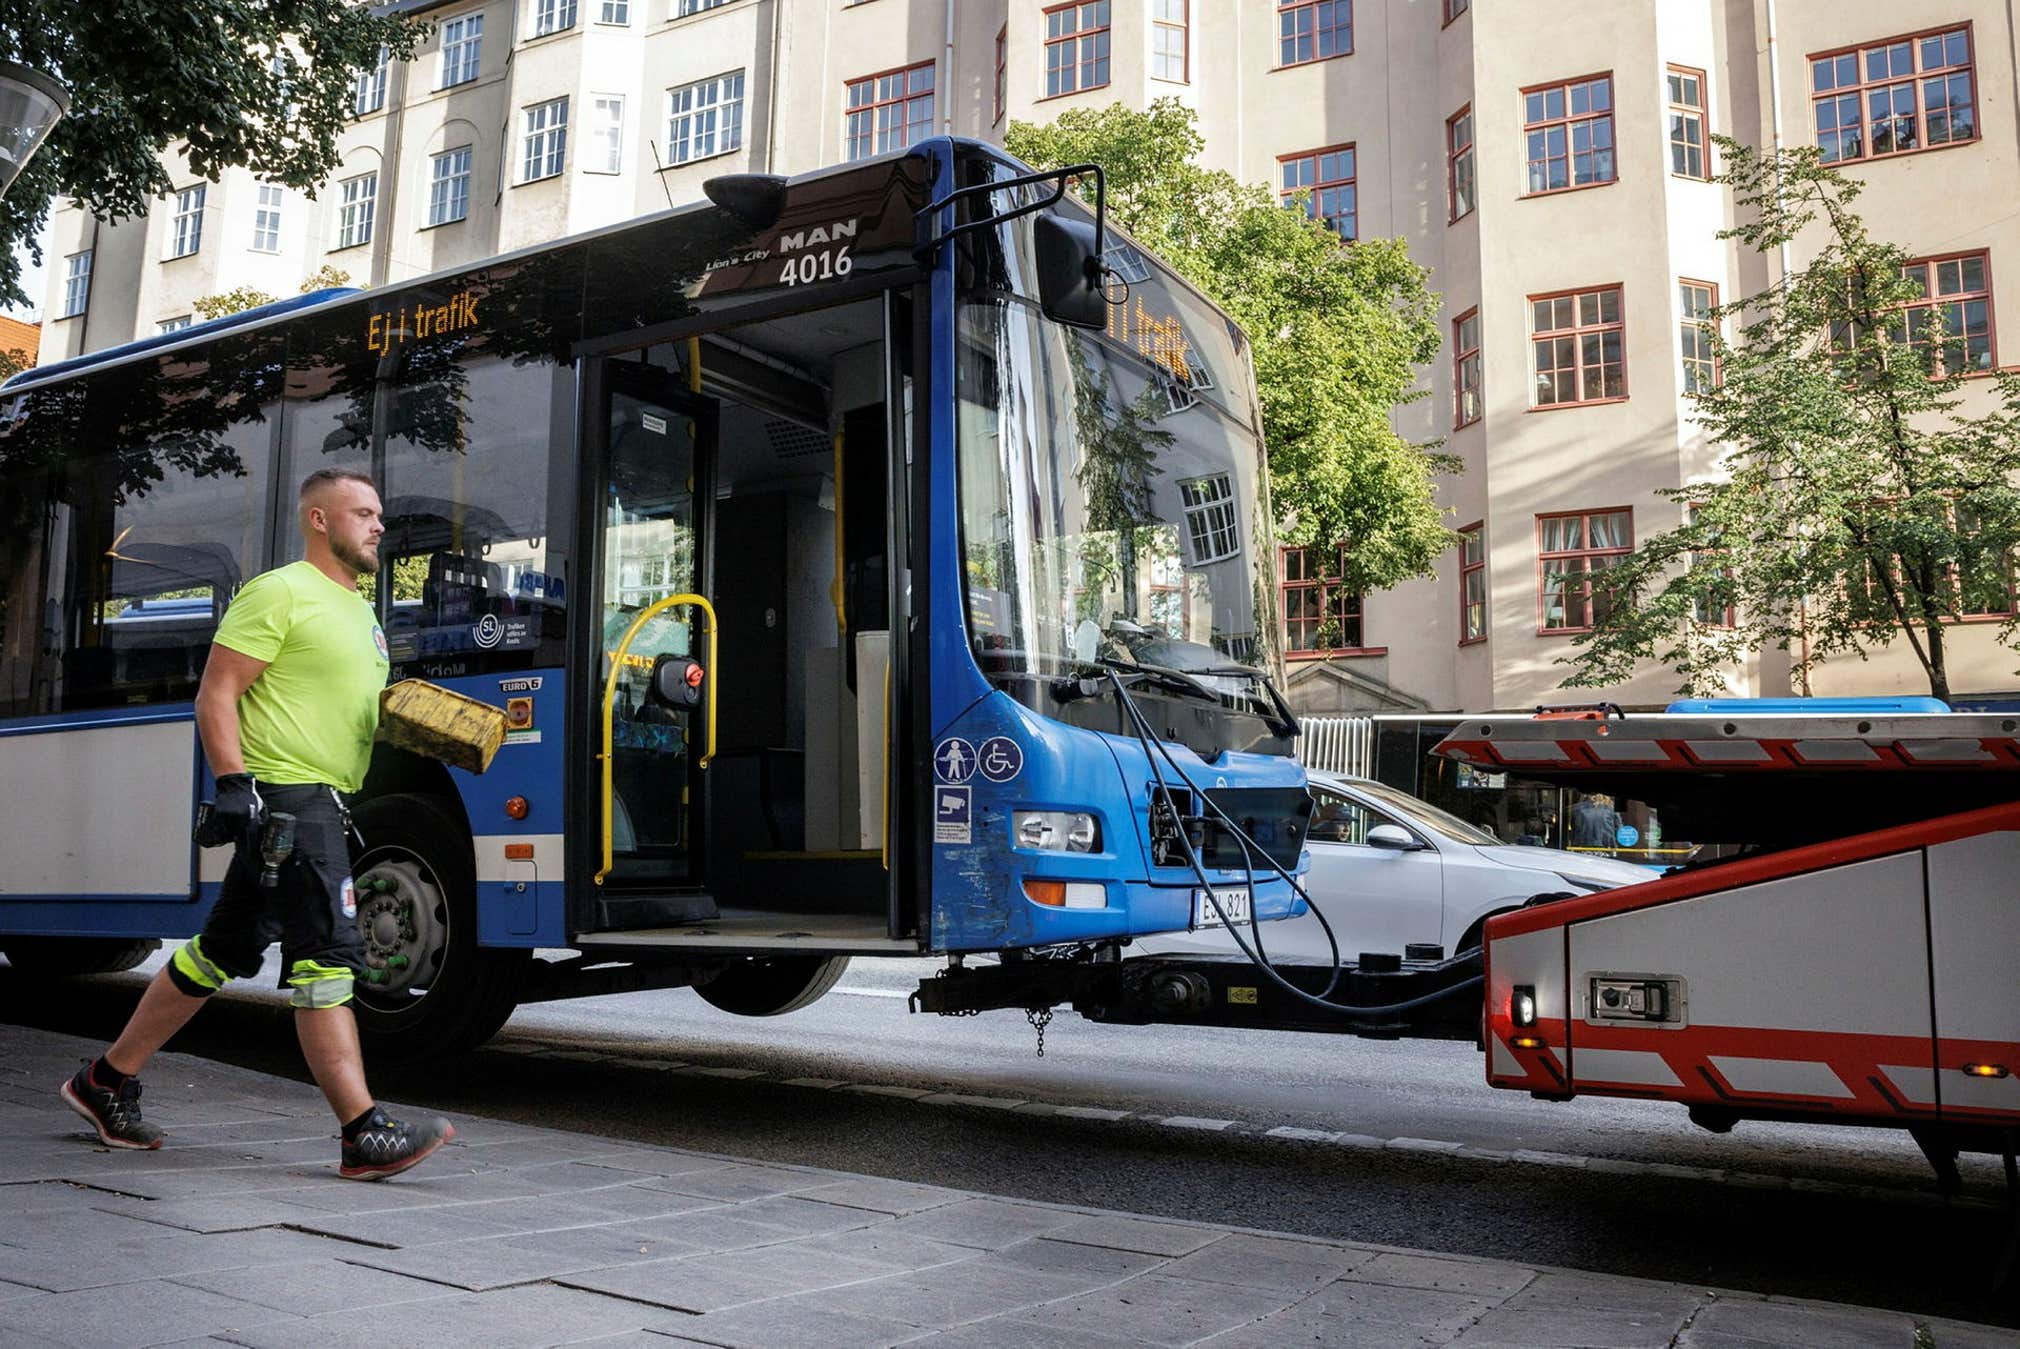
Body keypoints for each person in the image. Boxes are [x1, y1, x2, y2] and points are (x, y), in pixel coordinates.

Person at [59, 469, 455, 1181]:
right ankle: (362, 1128)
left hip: (323, 798)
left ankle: (104, 1082)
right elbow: (217, 691)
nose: (378, 526)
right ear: (317, 518)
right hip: (288, 799)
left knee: (219, 951)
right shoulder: (279, 592)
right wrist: (235, 783)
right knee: (329, 955)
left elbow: (337, 708)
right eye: (362, 512)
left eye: (378, 515)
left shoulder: (360, 613)